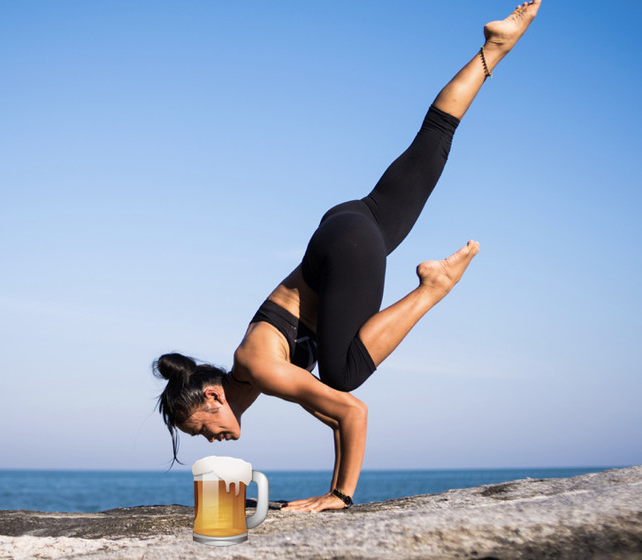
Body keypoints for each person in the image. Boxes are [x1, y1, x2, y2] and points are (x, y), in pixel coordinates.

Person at [153, 1, 541, 512]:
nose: (210, 440)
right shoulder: (253, 373)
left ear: (212, 397)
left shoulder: (258, 367)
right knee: (433, 139)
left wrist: (339, 495)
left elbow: (351, 411)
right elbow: (330, 414)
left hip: (347, 249)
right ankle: (496, 47)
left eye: (201, 429)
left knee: (342, 375)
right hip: (349, 227)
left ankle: (433, 287)